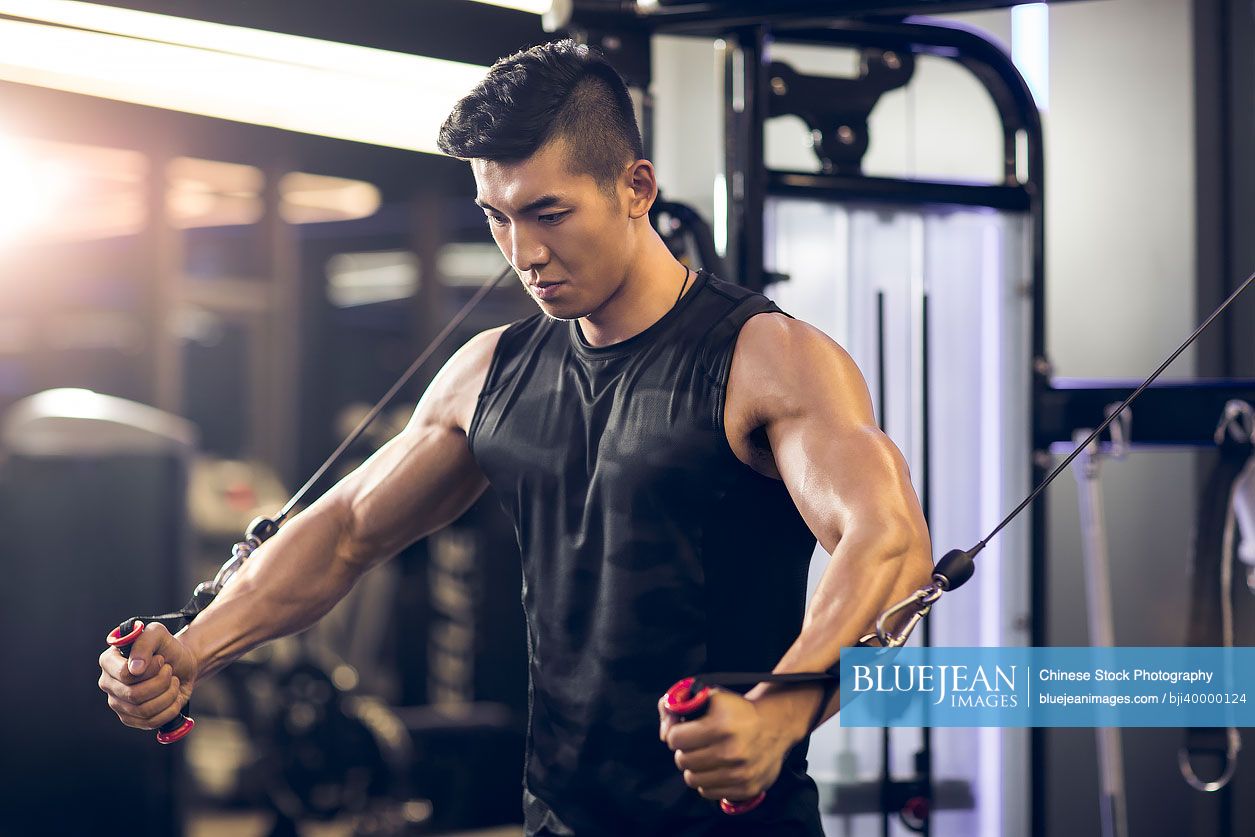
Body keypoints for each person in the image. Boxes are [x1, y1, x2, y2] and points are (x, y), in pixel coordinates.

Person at [98, 38, 932, 836]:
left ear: (635, 186)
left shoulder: (767, 358)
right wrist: (194, 648)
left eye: (548, 212)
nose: (523, 253)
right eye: (497, 218)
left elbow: (888, 544)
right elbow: (347, 528)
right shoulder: (489, 371)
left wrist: (779, 711)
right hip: (558, 821)